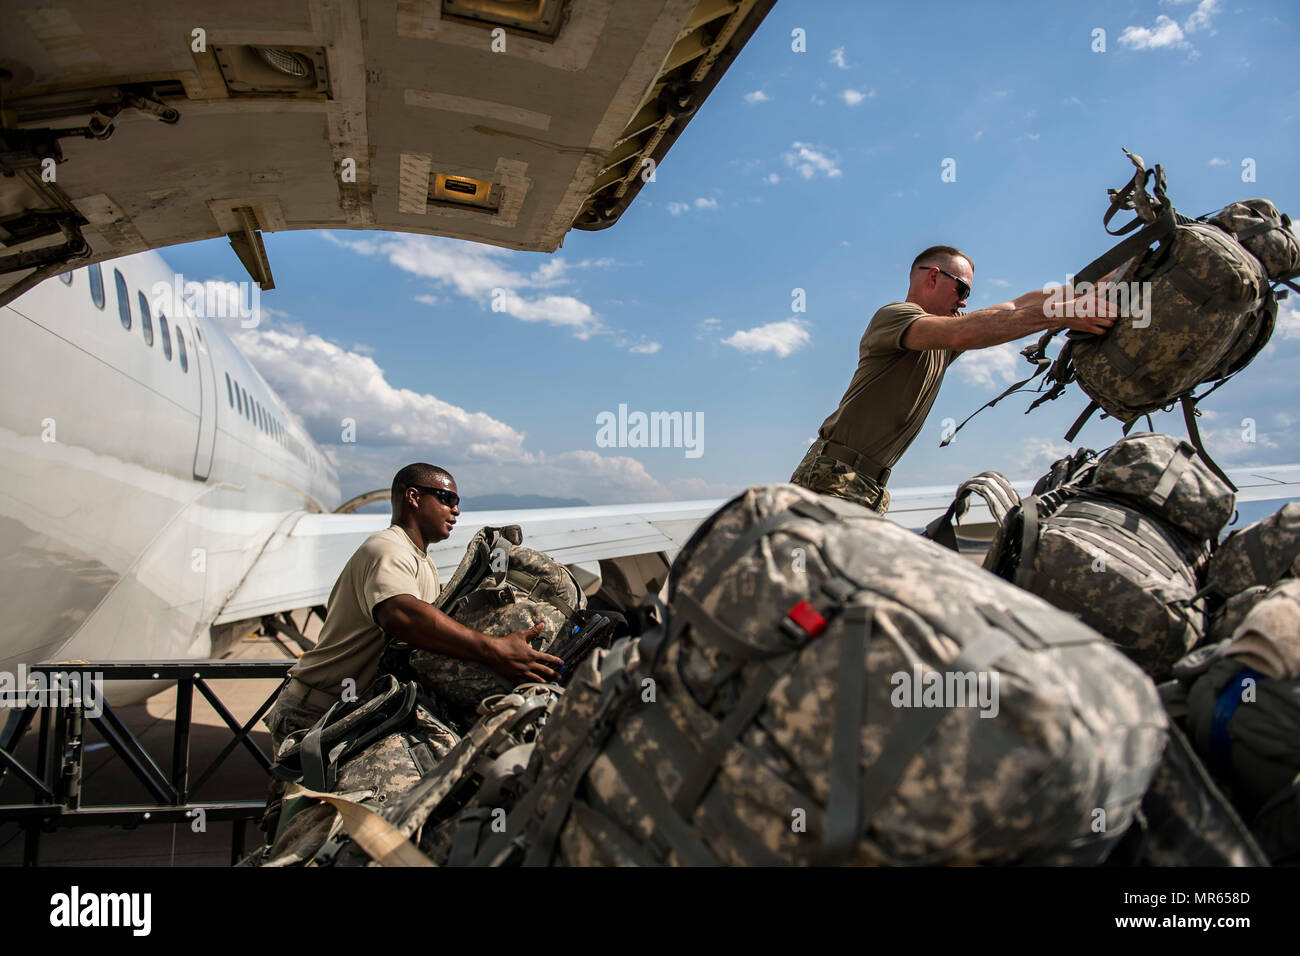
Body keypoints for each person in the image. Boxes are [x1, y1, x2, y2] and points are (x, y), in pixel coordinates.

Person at [791, 245, 1116, 513]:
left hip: (866, 485)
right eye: (962, 289)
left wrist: (1094, 286)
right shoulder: (895, 317)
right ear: (933, 276)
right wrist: (1063, 312)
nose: (964, 301)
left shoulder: (940, 342)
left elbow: (1015, 306)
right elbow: (964, 333)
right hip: (832, 476)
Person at [263, 462, 561, 748]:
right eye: (447, 498)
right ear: (413, 497)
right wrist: (494, 649)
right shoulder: (387, 549)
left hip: (351, 713)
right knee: (307, 801)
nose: (455, 510)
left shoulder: (422, 562)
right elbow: (401, 616)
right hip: (317, 711)